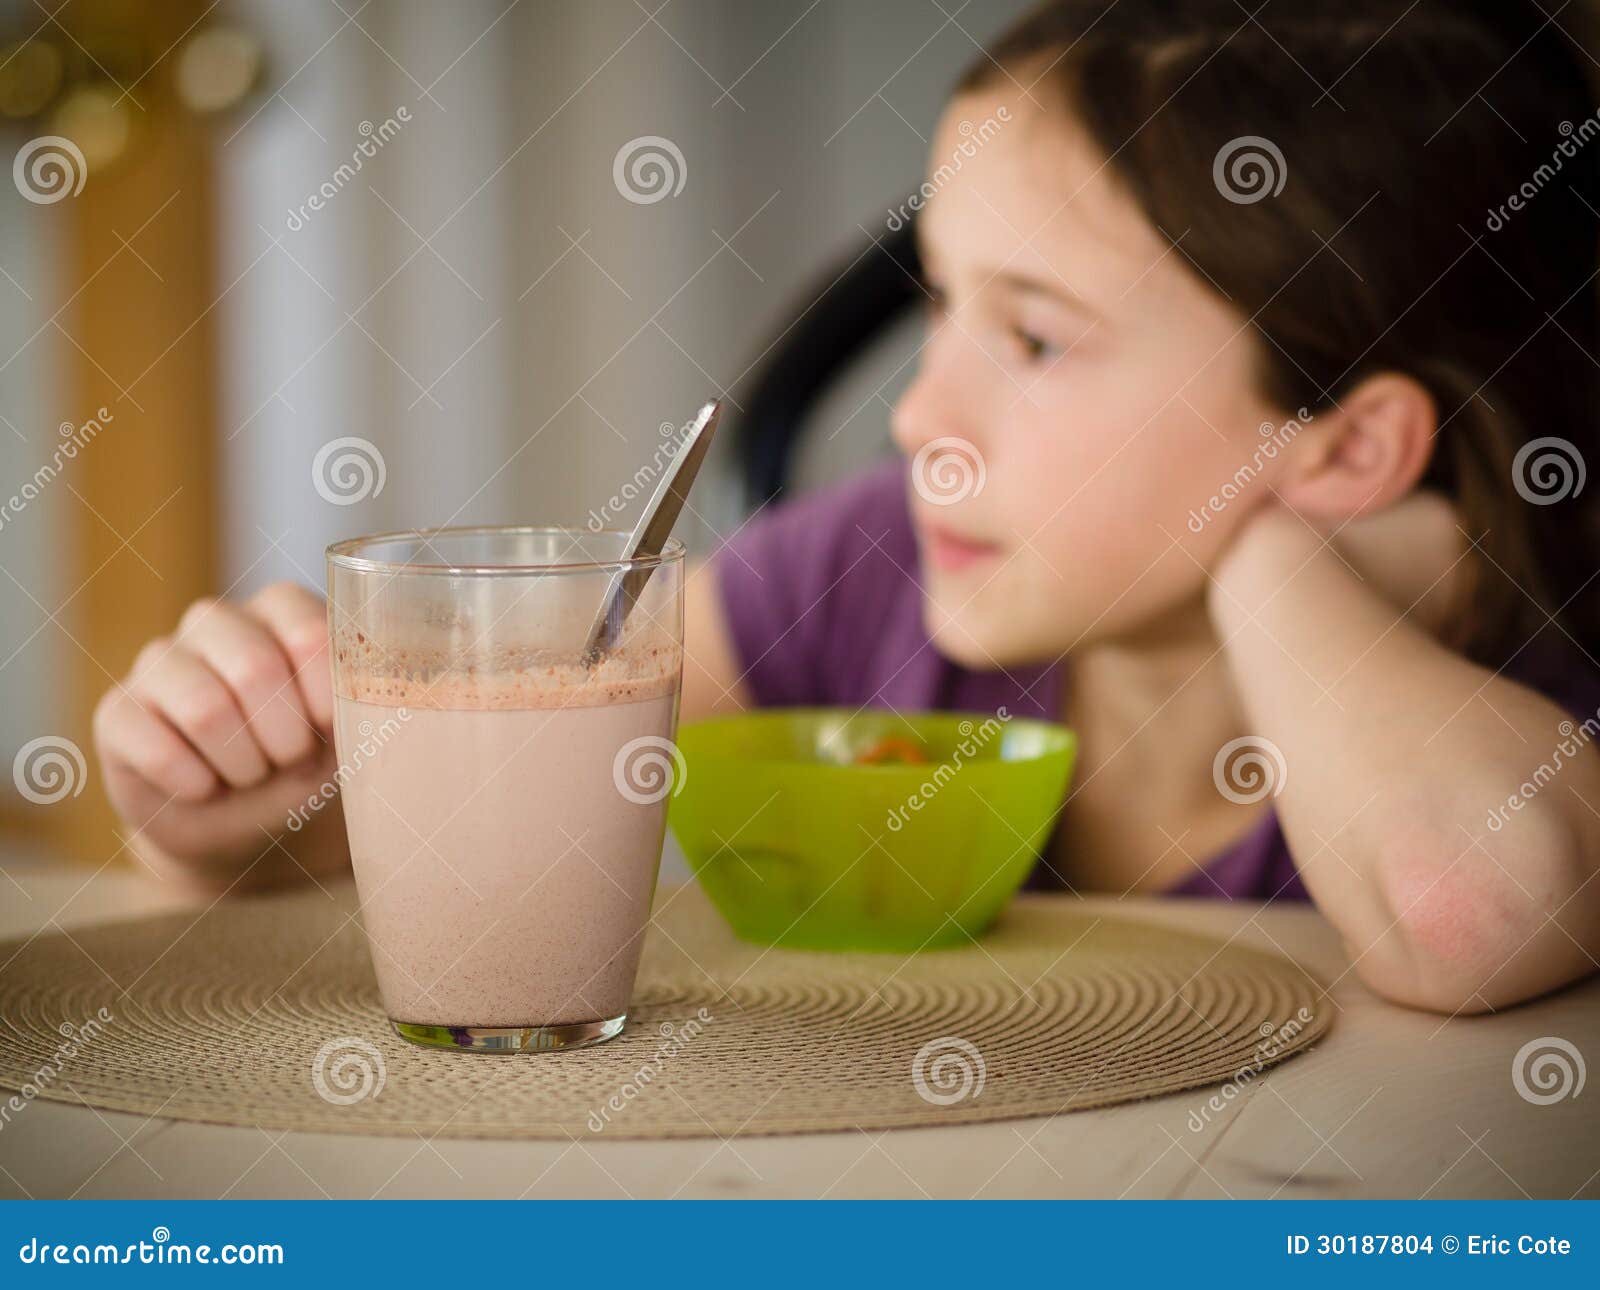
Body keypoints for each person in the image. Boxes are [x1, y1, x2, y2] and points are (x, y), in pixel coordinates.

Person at [93, 0, 1600, 1013]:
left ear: (1346, 447)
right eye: (940, 307)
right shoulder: (866, 573)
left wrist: (1272, 554)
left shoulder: (1519, 711)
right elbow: (400, 840)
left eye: (1035, 337)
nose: (914, 414)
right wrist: (225, 814)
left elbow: (1469, 908)